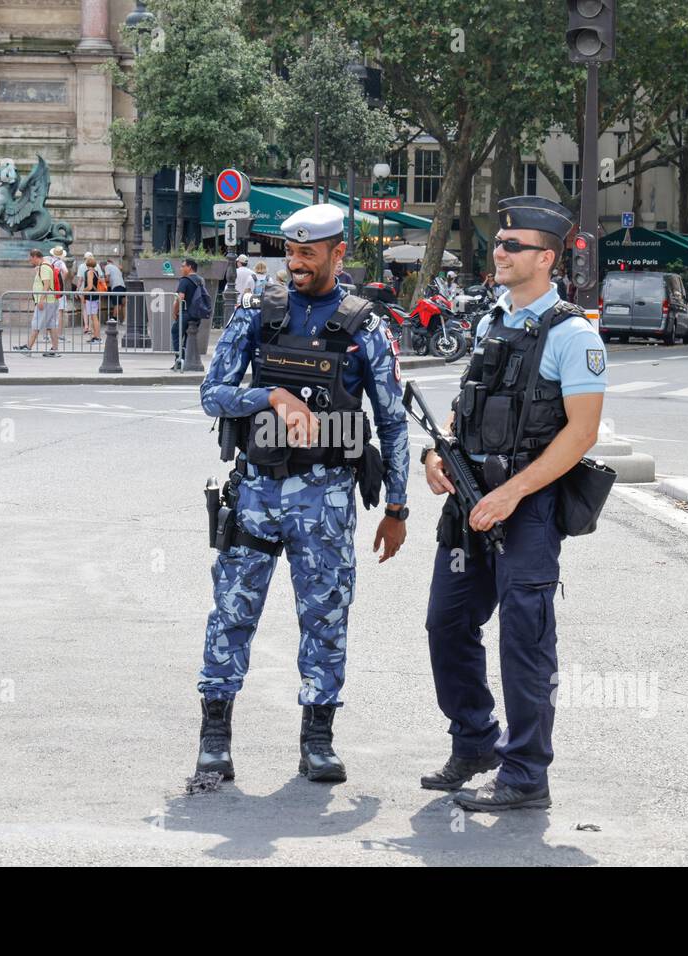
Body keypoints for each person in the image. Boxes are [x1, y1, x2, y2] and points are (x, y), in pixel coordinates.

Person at [194, 203, 409, 784]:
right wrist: (271, 399)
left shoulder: (365, 326)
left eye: (307, 254)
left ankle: (318, 738)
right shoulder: (256, 314)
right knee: (232, 614)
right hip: (257, 493)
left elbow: (391, 422)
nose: (295, 263)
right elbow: (212, 393)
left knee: (326, 619)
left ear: (338, 254)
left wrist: (397, 506)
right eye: (290, 252)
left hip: (329, 499)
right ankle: (215, 738)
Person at [419, 196, 607, 812]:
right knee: (446, 626)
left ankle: (526, 774)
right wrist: (436, 455)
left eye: (513, 246)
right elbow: (467, 402)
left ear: (547, 258)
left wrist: (510, 493)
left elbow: (581, 434)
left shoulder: (574, 335)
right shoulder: (490, 319)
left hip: (526, 510)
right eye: (499, 245)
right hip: (472, 504)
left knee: (524, 642)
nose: (499, 253)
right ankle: (474, 741)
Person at [16, 248, 61, 357]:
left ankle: (28, 348)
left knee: (36, 324)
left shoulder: (44, 267)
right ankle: (54, 350)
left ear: (36, 257)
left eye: (31, 259)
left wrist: (41, 300)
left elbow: (46, 284)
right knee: (51, 326)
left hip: (45, 301)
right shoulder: (45, 266)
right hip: (51, 300)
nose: (30, 261)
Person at [171, 258, 211, 370]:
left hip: (185, 313)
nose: (181, 268)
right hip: (197, 314)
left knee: (175, 332)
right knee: (189, 337)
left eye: (183, 266)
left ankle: (179, 359)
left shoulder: (184, 280)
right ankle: (185, 360)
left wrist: (175, 312)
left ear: (189, 267)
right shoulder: (200, 280)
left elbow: (180, 297)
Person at [103, 257, 126, 327]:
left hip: (116, 286)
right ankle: (125, 320)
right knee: (123, 303)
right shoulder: (116, 267)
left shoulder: (107, 267)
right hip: (122, 285)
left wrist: (102, 280)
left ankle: (114, 319)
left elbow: (107, 278)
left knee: (116, 303)